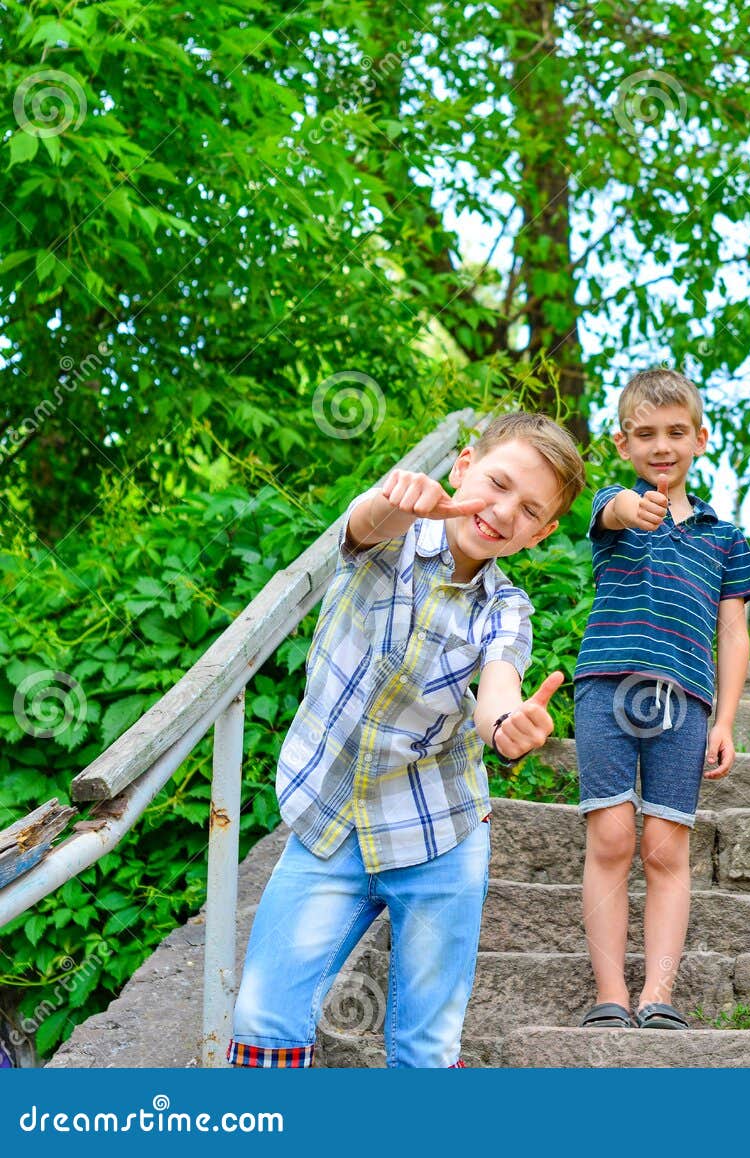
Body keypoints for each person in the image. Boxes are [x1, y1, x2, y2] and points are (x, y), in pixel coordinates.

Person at [228, 411, 586, 1068]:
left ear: (544, 532)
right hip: (328, 823)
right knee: (264, 1020)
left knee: (424, 1047)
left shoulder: (504, 608)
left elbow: (498, 691)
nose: (504, 511)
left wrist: (509, 726)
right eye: (498, 483)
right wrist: (395, 500)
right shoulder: (394, 536)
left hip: (439, 839)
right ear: (463, 465)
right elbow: (365, 524)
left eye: (529, 509)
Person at [573, 369, 750, 1030]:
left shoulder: (725, 538)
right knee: (612, 836)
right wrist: (633, 506)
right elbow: (610, 510)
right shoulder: (615, 508)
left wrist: (727, 719)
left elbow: (733, 632)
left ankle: (657, 992)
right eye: (645, 434)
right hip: (606, 687)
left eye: (676, 432)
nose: (662, 445)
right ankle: (609, 994)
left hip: (686, 702)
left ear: (700, 438)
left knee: (664, 848)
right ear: (623, 443)